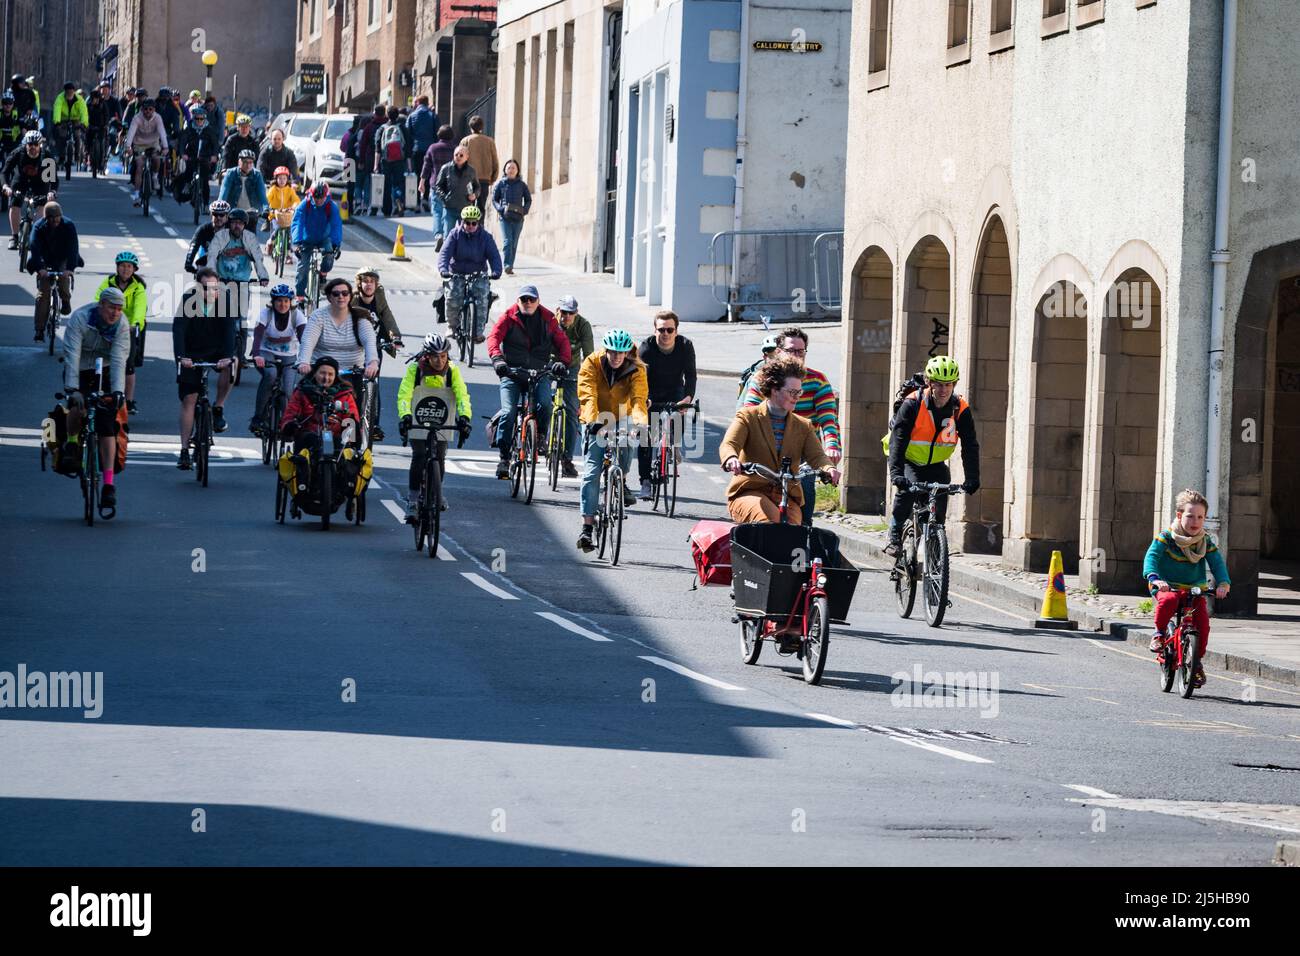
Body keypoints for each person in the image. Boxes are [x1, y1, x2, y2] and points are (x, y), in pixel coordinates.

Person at [741, 327, 842, 528]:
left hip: (802, 451)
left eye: (801, 351)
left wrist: (831, 444)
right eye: (791, 350)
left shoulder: (818, 380)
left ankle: (804, 530)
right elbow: (749, 413)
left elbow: (828, 419)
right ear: (778, 351)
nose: (796, 356)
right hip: (768, 448)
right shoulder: (763, 378)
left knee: (804, 490)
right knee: (761, 503)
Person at [720, 359, 841, 525]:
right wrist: (731, 459)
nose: (797, 397)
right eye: (792, 392)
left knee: (794, 529)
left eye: (799, 392)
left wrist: (829, 468)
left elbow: (817, 456)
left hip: (784, 494)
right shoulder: (748, 417)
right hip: (749, 491)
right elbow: (729, 444)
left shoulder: (803, 425)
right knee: (770, 520)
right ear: (774, 390)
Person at [884, 354, 980, 555]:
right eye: (938, 384)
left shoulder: (960, 409)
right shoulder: (913, 404)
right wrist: (897, 474)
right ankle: (894, 535)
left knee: (939, 505)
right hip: (909, 459)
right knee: (907, 492)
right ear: (929, 382)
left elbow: (970, 445)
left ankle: (936, 549)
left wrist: (972, 478)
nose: (944, 390)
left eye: (948, 384)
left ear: (954, 384)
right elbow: (898, 441)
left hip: (936, 463)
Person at [1144, 490, 1232, 688]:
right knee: (1168, 601)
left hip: (1193, 590)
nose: (1195, 521)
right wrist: (1155, 578)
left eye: (1200, 517)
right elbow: (1151, 558)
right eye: (1190, 516)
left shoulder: (1204, 541)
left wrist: (1224, 583)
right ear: (1179, 516)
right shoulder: (1166, 537)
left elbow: (1217, 563)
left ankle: (1196, 662)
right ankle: (1158, 634)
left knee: (1202, 622)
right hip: (1167, 585)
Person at [487, 284, 571, 479]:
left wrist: (562, 363)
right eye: (524, 299)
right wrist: (498, 359)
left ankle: (540, 435)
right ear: (518, 301)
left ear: (538, 301)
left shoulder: (548, 318)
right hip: (512, 373)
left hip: (539, 373)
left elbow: (563, 342)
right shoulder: (509, 316)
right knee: (508, 413)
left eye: (531, 299)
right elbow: (494, 337)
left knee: (546, 405)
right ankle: (504, 458)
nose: (528, 303)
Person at [575, 328, 648, 551]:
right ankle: (587, 528)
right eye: (612, 352)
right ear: (605, 350)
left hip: (623, 416)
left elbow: (638, 398)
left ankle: (622, 479)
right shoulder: (592, 362)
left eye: (621, 352)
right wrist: (593, 421)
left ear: (627, 353)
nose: (616, 357)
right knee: (591, 473)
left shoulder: (637, 368)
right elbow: (588, 394)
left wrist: (639, 424)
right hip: (596, 416)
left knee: (627, 443)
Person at [61, 286, 131, 509]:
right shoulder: (81, 318)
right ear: (101, 305)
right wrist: (73, 389)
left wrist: (119, 391)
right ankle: (72, 444)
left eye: (119, 309)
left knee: (107, 425)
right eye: (111, 308)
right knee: (77, 404)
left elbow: (120, 359)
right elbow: (72, 354)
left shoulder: (122, 324)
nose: (115, 313)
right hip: (80, 366)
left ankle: (109, 485)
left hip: (107, 368)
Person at [397, 333, 471, 517]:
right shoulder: (415, 369)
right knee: (420, 455)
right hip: (418, 419)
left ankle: (437, 492)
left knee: (439, 455)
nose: (440, 361)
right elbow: (404, 394)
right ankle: (413, 499)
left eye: (443, 356)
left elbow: (462, 395)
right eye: (435, 356)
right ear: (427, 356)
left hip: (442, 420)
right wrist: (405, 416)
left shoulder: (452, 371)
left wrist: (465, 417)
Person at [296, 277, 379, 434]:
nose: (341, 297)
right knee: (308, 400)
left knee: (353, 404)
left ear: (350, 296)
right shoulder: (319, 316)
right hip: (321, 370)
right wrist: (304, 362)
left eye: (345, 293)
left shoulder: (359, 318)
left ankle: (353, 439)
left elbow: (369, 342)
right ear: (329, 297)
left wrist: (372, 363)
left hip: (351, 370)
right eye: (336, 294)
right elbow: (308, 341)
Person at [173, 267, 237, 469]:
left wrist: (227, 357)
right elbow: (179, 329)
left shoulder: (225, 301)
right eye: (206, 288)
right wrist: (181, 357)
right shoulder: (188, 300)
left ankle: (218, 407)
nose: (212, 292)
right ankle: (184, 450)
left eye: (215, 288)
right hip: (191, 354)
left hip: (216, 351)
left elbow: (229, 330)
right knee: (190, 399)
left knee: (234, 364)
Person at [636, 309, 697, 500]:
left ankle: (674, 444)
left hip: (675, 390)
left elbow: (691, 375)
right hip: (651, 392)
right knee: (647, 438)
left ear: (676, 331)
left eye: (670, 330)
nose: (665, 334)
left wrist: (688, 398)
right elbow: (638, 378)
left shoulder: (686, 346)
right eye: (661, 330)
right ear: (655, 330)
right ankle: (645, 481)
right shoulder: (646, 348)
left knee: (678, 416)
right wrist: (643, 399)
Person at [280, 357, 360, 487]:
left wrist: (350, 425)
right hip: (309, 434)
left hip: (336, 436)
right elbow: (290, 414)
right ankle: (303, 483)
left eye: (330, 374)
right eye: (322, 373)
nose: (326, 378)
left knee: (348, 451)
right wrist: (290, 424)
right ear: (315, 373)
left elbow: (352, 417)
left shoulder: (345, 394)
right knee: (307, 443)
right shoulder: (302, 391)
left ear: (335, 376)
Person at [438, 205, 502, 343]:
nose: (471, 226)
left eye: (474, 223)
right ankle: (452, 326)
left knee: (482, 301)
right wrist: (444, 269)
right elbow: (444, 253)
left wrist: (496, 271)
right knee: (453, 297)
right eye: (467, 222)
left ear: (478, 223)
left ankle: (477, 332)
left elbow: (494, 256)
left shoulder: (485, 237)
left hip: (478, 273)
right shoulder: (454, 234)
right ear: (462, 222)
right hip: (456, 272)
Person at [352, 268, 402, 441]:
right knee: (353, 383)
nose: (368, 285)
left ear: (376, 284)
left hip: (375, 347)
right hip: (356, 348)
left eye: (372, 282)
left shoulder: (379, 299)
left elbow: (387, 317)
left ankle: (374, 425)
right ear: (360, 283)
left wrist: (394, 337)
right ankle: (351, 420)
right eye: (365, 281)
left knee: (374, 385)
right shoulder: (353, 299)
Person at [249, 283, 307, 434]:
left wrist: (306, 359)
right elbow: (257, 337)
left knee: (288, 390)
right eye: (279, 301)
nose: (283, 304)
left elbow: (304, 340)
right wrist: (256, 355)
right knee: (270, 375)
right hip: (266, 353)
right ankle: (258, 417)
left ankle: (286, 423)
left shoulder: (298, 315)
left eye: (286, 301)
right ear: (273, 302)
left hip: (289, 356)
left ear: (291, 302)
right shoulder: (265, 314)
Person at [95, 251, 148, 414]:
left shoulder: (138, 287)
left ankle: (130, 401)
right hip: (108, 324)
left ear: (134, 269)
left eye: (129, 266)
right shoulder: (108, 283)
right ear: (117, 268)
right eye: (123, 266)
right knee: (100, 359)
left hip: (130, 328)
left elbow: (140, 307)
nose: (126, 269)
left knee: (129, 366)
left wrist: (135, 324)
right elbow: (98, 299)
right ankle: (98, 391)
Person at [27, 200, 82, 342]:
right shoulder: (38, 227)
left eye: (58, 218)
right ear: (46, 218)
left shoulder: (68, 225)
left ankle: (65, 300)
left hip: (63, 257)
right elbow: (34, 248)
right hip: (45, 259)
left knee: (63, 278)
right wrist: (40, 268)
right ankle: (39, 330)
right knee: (43, 293)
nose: (55, 221)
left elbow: (73, 248)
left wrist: (70, 269)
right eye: (52, 219)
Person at [554, 295, 593, 479]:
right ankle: (537, 438)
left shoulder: (583, 326)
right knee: (543, 401)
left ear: (576, 313)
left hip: (572, 368)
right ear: (558, 311)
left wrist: (586, 380)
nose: (566, 317)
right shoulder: (550, 322)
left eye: (570, 313)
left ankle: (567, 459)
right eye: (563, 312)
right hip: (550, 365)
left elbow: (589, 356)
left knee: (571, 413)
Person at [290, 179, 343, 300]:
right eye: (316, 197)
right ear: (311, 195)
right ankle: (300, 297)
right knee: (303, 268)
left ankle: (323, 276)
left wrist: (336, 244)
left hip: (324, 239)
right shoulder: (305, 204)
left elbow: (336, 225)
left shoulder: (331, 206)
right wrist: (297, 243)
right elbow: (298, 222)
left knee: (329, 256)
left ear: (326, 196)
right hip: (306, 240)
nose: (318, 200)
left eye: (321, 197)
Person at [4, 130, 56, 249]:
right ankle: (14, 237)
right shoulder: (18, 153)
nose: (33, 147)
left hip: (40, 182)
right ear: (25, 145)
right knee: (14, 204)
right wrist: (5, 187)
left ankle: (35, 236)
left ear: (40, 145)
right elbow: (4, 172)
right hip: (21, 181)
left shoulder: (47, 156)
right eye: (30, 145)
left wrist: (52, 192)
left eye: (35, 145)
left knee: (42, 206)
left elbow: (53, 179)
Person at [123, 98, 168, 205]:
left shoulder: (158, 118)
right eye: (145, 109)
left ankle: (154, 176)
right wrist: (128, 147)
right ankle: (137, 194)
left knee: (157, 159)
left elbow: (162, 132)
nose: (148, 111)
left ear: (154, 110)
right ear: (142, 110)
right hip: (139, 144)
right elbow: (131, 133)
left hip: (153, 143)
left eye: (150, 109)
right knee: (139, 167)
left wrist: (165, 147)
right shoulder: (137, 118)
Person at [419, 124, 457, 245]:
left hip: (436, 184)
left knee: (437, 211)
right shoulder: (455, 149)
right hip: (451, 185)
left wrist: (422, 182)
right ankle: (446, 236)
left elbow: (426, 167)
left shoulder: (433, 148)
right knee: (447, 212)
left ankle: (438, 234)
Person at [492, 159, 531, 275]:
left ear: (517, 170)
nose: (511, 170)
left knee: (514, 243)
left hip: (518, 218)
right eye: (509, 168)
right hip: (505, 218)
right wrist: (500, 209)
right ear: (505, 170)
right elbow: (494, 199)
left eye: (513, 168)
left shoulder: (522, 185)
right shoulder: (501, 184)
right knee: (507, 242)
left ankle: (511, 265)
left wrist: (524, 210)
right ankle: (507, 265)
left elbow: (528, 199)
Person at [176, 106, 220, 207]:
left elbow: (215, 144)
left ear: (204, 119)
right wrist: (183, 154)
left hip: (205, 156)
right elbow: (183, 141)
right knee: (188, 171)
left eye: (201, 119)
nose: (199, 121)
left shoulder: (209, 130)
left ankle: (205, 204)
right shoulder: (189, 128)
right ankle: (187, 185)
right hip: (192, 155)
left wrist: (214, 155)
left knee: (205, 182)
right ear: (193, 118)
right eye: (197, 118)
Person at [433, 145, 478, 230]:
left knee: (464, 235)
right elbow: (438, 186)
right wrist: (445, 198)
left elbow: (477, 187)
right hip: (450, 208)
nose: (458, 157)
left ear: (467, 157)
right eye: (456, 155)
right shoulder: (446, 168)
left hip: (465, 208)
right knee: (448, 236)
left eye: (461, 155)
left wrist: (475, 195)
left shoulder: (471, 171)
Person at [459, 115, 498, 214]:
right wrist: (493, 178)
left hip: (469, 178)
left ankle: (469, 226)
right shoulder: (489, 141)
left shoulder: (465, 141)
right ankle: (480, 226)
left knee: (468, 205)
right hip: (485, 178)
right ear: (482, 127)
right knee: (481, 206)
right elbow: (495, 161)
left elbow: (460, 159)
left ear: (470, 127)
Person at [375, 107, 408, 217]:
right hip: (399, 160)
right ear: (397, 115)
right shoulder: (402, 128)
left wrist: (376, 165)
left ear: (387, 115)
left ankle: (387, 209)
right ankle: (399, 200)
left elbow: (378, 148)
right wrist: (408, 162)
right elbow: (409, 145)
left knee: (387, 185)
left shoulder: (382, 128)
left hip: (386, 161)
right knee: (398, 183)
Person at [218, 148, 268, 219]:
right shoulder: (230, 173)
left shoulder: (257, 175)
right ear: (239, 162)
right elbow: (224, 192)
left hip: (251, 213)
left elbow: (262, 195)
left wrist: (266, 209)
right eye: (245, 162)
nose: (248, 165)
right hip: (233, 212)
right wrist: (220, 205)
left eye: (250, 162)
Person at [184, 199, 230, 273]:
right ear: (211, 215)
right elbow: (194, 245)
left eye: (221, 215)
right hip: (206, 260)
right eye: (215, 214)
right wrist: (188, 263)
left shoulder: (232, 230)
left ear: (227, 217)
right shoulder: (203, 229)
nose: (218, 217)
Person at [356, 106, 387, 213]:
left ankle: (372, 206)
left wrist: (361, 161)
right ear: (384, 113)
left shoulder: (369, 127)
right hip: (387, 158)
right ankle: (386, 206)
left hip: (370, 158)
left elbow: (363, 146)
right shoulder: (388, 125)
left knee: (372, 182)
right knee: (386, 183)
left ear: (375, 113)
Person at [264, 165, 301, 253]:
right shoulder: (273, 189)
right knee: (277, 228)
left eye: (284, 178)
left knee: (288, 232)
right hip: (275, 214)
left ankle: (288, 253)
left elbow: (296, 200)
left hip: (287, 215)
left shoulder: (290, 190)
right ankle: (271, 241)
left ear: (287, 179)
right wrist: (267, 208)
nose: (282, 181)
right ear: (276, 179)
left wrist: (294, 207)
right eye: (280, 178)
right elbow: (267, 199)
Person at [737, 334, 780, 409]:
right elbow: (742, 408)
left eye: (779, 356)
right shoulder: (755, 378)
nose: (776, 360)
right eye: (771, 356)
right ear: (764, 357)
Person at [51, 83, 88, 164]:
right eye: (68, 92)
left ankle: (77, 155)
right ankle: (61, 157)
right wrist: (57, 122)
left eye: (71, 92)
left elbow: (83, 112)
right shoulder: (60, 98)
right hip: (63, 119)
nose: (69, 94)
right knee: (62, 136)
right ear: (65, 92)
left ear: (74, 92)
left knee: (77, 135)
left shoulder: (80, 100)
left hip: (75, 119)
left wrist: (84, 123)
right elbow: (57, 109)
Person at [405, 95, 437, 174]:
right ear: (427, 103)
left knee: (418, 172)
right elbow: (437, 132)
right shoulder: (432, 115)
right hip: (430, 148)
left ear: (418, 103)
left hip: (417, 148)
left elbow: (407, 133)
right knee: (429, 173)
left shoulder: (412, 116)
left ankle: (419, 186)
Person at [0, 90, 22, 159]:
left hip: (14, 143)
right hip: (1, 142)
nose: (8, 105)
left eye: (10, 103)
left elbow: (24, 126)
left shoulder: (18, 114)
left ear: (13, 104)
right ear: (2, 104)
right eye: (5, 103)